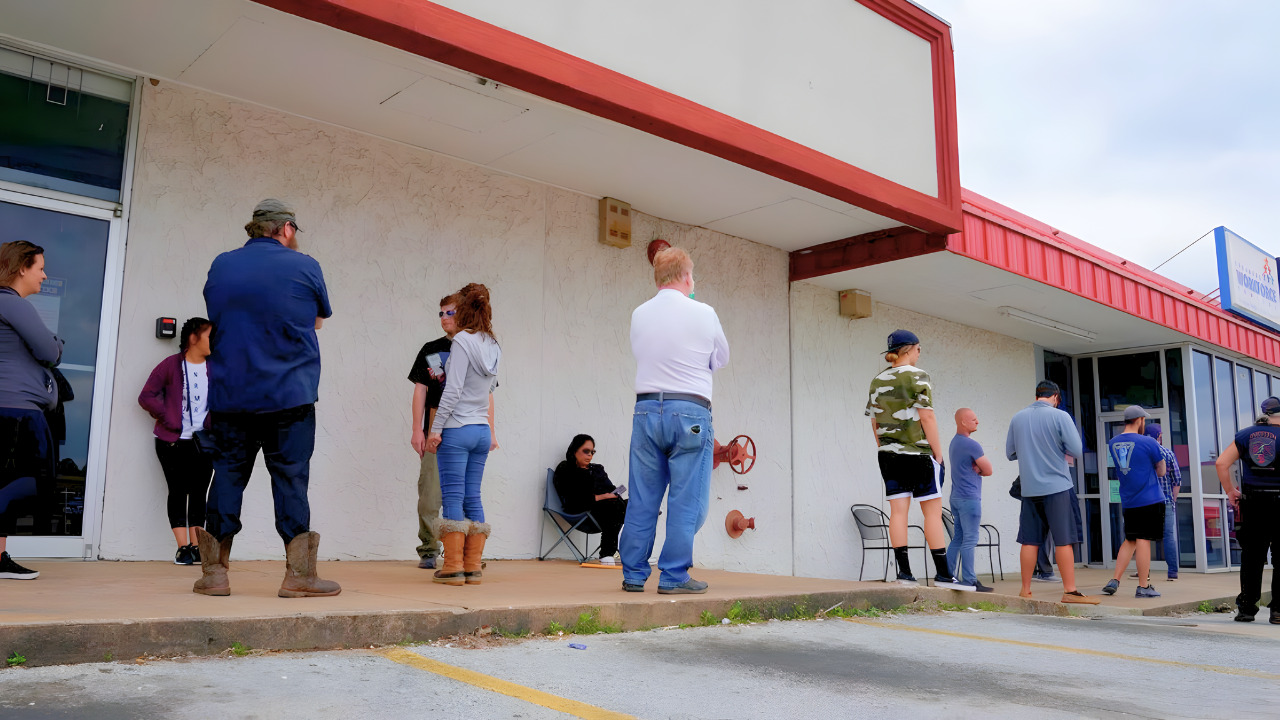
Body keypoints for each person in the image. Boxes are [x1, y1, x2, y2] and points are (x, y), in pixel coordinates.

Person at [194, 199, 340, 598]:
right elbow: (317, 321)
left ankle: (214, 575)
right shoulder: (305, 265)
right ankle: (299, 577)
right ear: (287, 228)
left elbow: (220, 316)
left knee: (226, 477)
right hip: (289, 395)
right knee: (291, 480)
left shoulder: (222, 264)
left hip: (232, 395)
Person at [620, 247, 728, 594]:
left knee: (642, 497)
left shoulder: (639, 313)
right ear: (686, 276)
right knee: (686, 498)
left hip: (647, 410)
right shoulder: (704, 312)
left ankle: (634, 573)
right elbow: (721, 359)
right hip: (691, 413)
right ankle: (674, 574)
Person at [866, 330, 970, 590]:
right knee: (932, 513)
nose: (919, 353)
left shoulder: (877, 380)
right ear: (911, 349)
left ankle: (905, 574)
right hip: (918, 454)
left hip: (889, 455)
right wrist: (938, 452)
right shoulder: (918, 375)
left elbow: (874, 420)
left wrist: (886, 446)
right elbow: (927, 417)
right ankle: (944, 574)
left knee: (898, 513)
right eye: (919, 349)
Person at [425, 283, 500, 586]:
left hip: (457, 429)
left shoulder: (461, 342)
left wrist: (436, 429)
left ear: (464, 308)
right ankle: (473, 568)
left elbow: (452, 390)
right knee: (474, 497)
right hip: (481, 429)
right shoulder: (493, 344)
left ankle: (453, 567)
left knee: (453, 498)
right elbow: (490, 389)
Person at [0, 241, 62, 581]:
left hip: (9, 407)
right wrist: (58, 344)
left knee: (8, 479)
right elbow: (49, 350)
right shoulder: (12, 303)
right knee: (35, 481)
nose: (44, 274)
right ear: (22, 268)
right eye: (39, 267)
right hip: (16, 411)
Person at [1006, 380, 1099, 604]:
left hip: (1029, 489)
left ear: (1037, 395)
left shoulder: (1018, 417)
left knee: (1030, 540)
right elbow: (1077, 450)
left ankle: (1025, 590)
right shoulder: (1060, 416)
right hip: (1057, 486)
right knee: (1063, 540)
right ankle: (1070, 591)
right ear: (1056, 397)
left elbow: (1010, 453)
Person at [138, 317, 215, 566]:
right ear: (193, 338)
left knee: (200, 492)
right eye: (209, 336)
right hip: (172, 441)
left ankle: (196, 546)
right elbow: (146, 396)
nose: (213, 341)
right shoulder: (171, 365)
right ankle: (182, 548)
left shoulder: (215, 367)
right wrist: (169, 417)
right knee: (179, 490)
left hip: (203, 441)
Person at [1215, 396, 1280, 623]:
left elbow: (1221, 463)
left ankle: (1246, 609)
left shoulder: (1245, 435)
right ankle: (1278, 612)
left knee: (1252, 556)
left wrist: (1231, 490)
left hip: (1252, 502)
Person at [406, 294, 458, 570]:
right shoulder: (431, 349)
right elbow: (420, 389)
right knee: (429, 492)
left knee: (462, 494)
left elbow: (487, 394)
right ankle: (429, 548)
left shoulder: (476, 348)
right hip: (435, 424)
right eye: (440, 313)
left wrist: (491, 431)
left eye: (450, 312)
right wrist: (418, 429)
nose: (444, 317)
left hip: (466, 426)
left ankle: (458, 550)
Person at [1101, 406, 1166, 598]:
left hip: (1128, 500)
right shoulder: (1149, 442)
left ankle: (1115, 579)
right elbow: (1161, 470)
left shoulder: (1112, 443)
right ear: (1140, 420)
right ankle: (1143, 586)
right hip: (1150, 498)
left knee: (1130, 540)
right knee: (1143, 540)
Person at [554, 434, 627, 564]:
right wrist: (603, 496)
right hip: (580, 511)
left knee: (637, 505)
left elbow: (610, 488)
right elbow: (573, 499)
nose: (590, 455)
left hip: (606, 511)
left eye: (592, 452)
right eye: (586, 451)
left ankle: (636, 552)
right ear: (574, 450)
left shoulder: (596, 469)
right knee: (615, 506)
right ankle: (607, 553)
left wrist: (612, 494)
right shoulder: (566, 469)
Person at [945, 408, 994, 592]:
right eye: (973, 419)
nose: (977, 421)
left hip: (956, 497)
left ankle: (948, 575)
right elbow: (989, 470)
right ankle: (969, 580)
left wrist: (977, 468)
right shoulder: (971, 445)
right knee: (970, 540)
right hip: (969, 498)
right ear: (963, 422)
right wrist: (980, 469)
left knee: (958, 538)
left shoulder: (953, 443)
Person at [1144, 422, 1181, 581]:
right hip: (1165, 501)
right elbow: (1177, 481)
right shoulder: (1168, 453)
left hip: (1145, 502)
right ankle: (1172, 572)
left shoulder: (1143, 454)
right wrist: (1172, 500)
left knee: (1143, 537)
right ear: (1159, 436)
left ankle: (1143, 573)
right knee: (1168, 536)